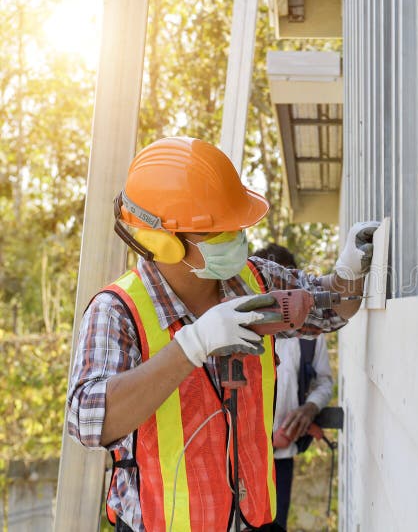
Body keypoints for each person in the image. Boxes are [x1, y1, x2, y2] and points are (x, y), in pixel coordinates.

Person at [65, 137, 378, 532]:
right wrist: (192, 346)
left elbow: (333, 312)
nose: (237, 236)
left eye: (237, 225)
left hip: (253, 521)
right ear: (163, 242)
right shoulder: (118, 311)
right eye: (218, 231)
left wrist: (349, 273)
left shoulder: (255, 279)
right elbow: (88, 422)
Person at [252, 243, 333, 530]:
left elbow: (324, 381)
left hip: (281, 460)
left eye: (283, 285)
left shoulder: (310, 333)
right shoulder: (238, 328)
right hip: (240, 462)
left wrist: (310, 408)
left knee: (275, 525)